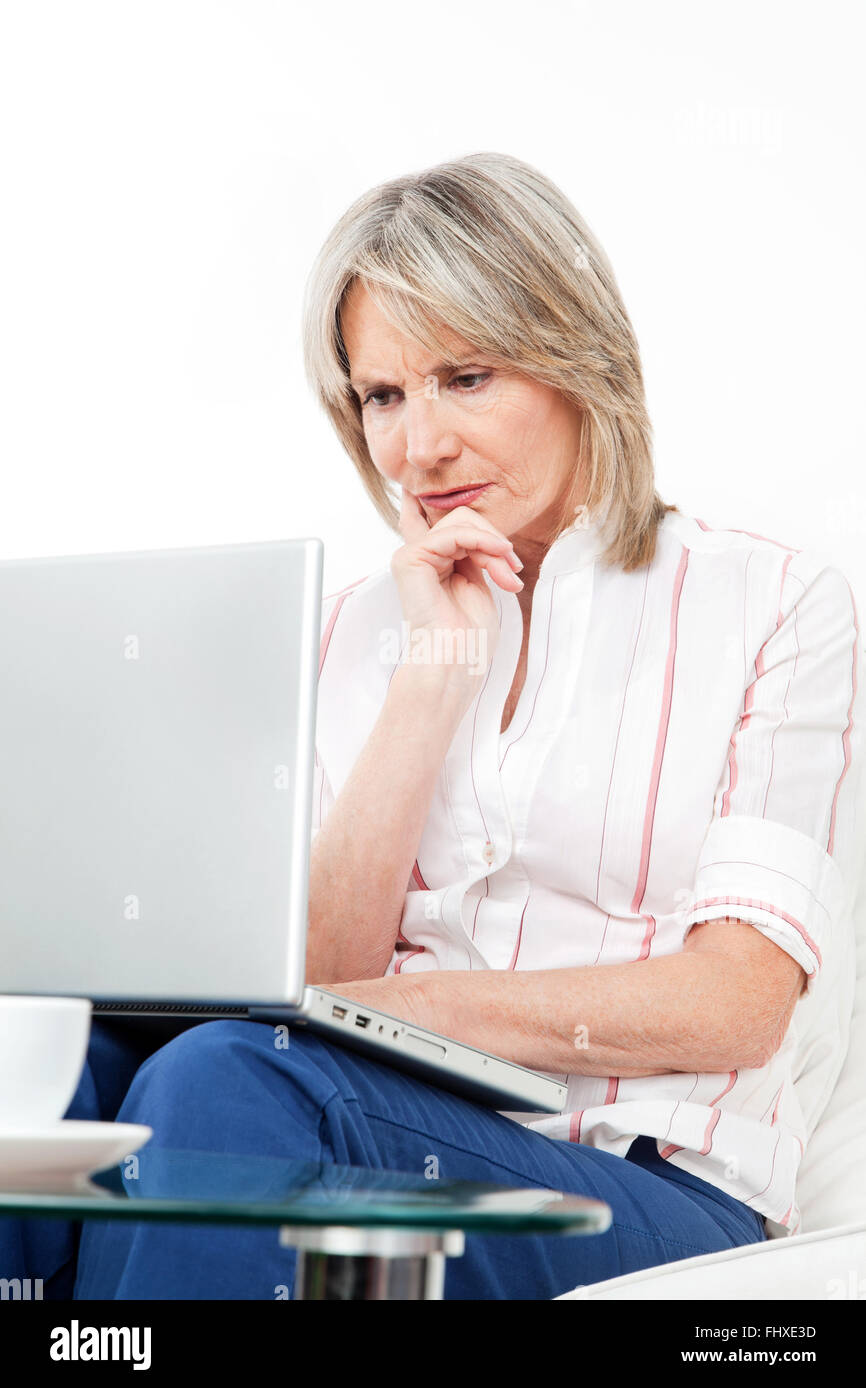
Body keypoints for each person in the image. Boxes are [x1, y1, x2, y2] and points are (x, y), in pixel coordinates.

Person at [4, 152, 862, 1300]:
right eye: (381, 396)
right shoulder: (357, 627)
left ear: (575, 363)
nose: (417, 448)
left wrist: (385, 1014)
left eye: (465, 376)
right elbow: (315, 968)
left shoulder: (773, 604)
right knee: (54, 1086)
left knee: (220, 1085)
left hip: (634, 1181)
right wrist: (431, 680)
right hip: (375, 1117)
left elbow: (734, 1003)